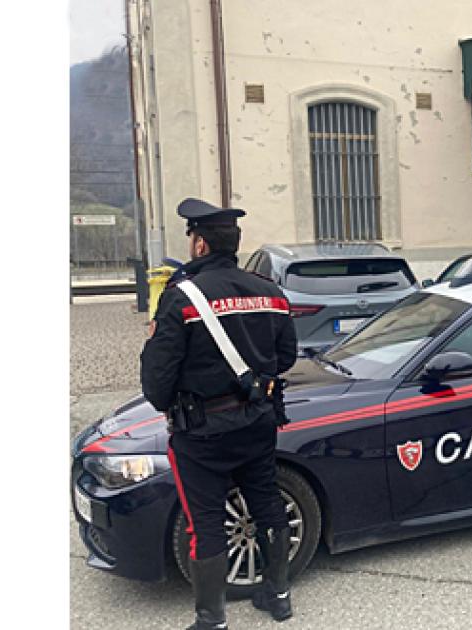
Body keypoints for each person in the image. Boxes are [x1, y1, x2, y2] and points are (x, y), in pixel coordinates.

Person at [140, 198, 298, 629]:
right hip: (258, 422)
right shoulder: (270, 291)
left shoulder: (181, 298)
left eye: (192, 236)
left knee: (205, 521)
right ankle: (278, 596)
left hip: (202, 433)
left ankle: (212, 619)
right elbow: (286, 357)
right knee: (267, 503)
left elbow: (156, 385)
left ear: (200, 244)